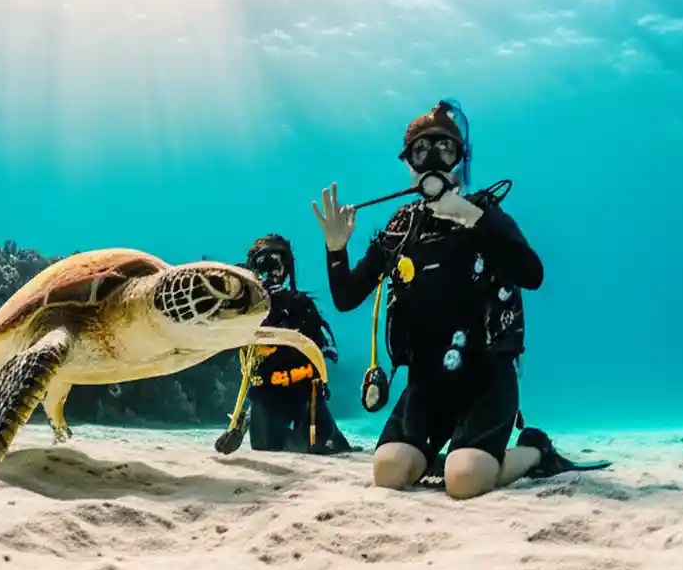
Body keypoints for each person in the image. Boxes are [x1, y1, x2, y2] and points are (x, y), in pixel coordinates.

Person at [311, 98, 607, 500]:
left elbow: (532, 274)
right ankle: (455, 454)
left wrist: (471, 217)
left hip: (487, 377)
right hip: (427, 381)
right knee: (388, 470)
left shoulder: (485, 213)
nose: (433, 159)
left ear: (461, 160)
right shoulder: (402, 228)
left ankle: (535, 451)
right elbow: (347, 297)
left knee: (465, 481)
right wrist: (335, 249)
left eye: (445, 149)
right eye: (421, 151)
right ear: (408, 165)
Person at [214, 234, 355, 456]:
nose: (271, 273)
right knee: (267, 448)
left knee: (324, 447)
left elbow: (327, 349)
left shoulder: (301, 305)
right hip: (266, 392)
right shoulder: (245, 314)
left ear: (287, 269)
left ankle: (329, 433)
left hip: (305, 391)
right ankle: (250, 418)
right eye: (264, 264)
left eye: (277, 265)